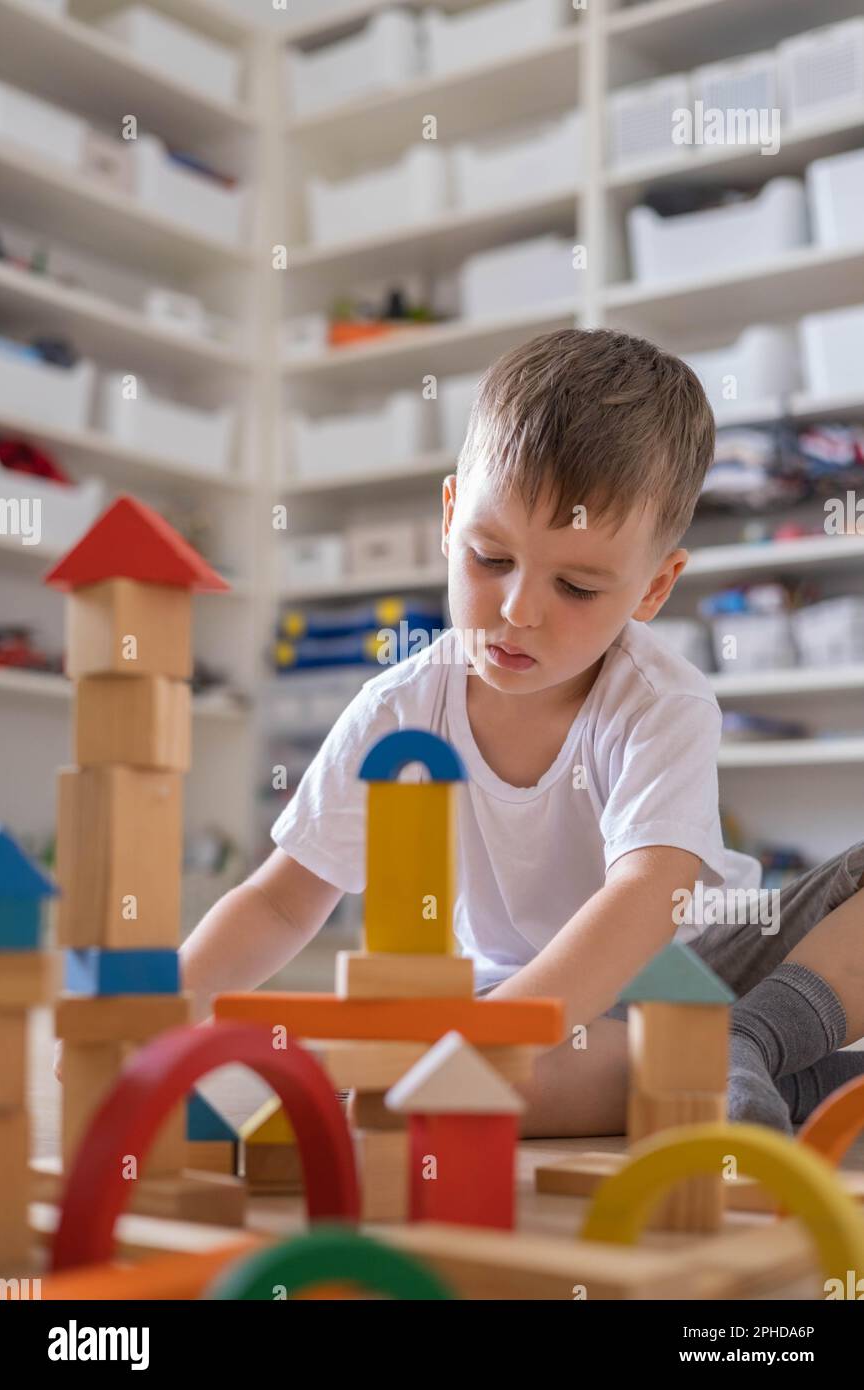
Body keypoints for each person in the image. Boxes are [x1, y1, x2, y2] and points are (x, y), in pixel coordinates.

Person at [175, 329, 864, 1135]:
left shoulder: (661, 702)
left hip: (705, 968)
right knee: (414, 1091)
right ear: (448, 518)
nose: (518, 611)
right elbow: (282, 904)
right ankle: (748, 1076)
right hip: (522, 1004)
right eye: (489, 559)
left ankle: (744, 1044)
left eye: (575, 586)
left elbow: (649, 899)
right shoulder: (399, 707)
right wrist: (154, 1013)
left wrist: (496, 1038)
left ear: (654, 588)